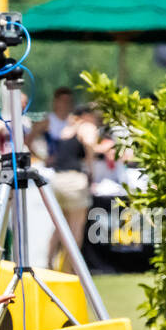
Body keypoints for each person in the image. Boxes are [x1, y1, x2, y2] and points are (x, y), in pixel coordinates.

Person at [43, 104, 114, 272]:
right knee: (76, 228)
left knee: (60, 227)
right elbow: (90, 144)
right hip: (75, 181)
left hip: (57, 180)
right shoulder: (86, 127)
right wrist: (91, 167)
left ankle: (49, 265)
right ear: (86, 115)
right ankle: (68, 270)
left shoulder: (67, 128)